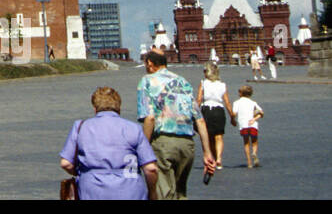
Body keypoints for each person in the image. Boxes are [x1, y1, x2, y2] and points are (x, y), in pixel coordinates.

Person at [136, 49, 217, 199]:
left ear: (149, 63)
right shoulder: (183, 82)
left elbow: (150, 118)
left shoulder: (147, 81)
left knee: (164, 193)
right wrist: (207, 153)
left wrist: (143, 149)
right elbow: (199, 119)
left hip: (163, 143)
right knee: (181, 193)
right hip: (187, 145)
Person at [59, 86, 158, 199]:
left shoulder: (80, 127)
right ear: (119, 109)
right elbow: (151, 168)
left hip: (92, 190)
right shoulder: (134, 128)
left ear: (95, 109)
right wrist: (152, 192)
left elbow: (65, 163)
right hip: (131, 190)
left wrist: (81, 173)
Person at [196, 62, 233, 176]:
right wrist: (232, 116)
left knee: (209, 136)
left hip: (206, 109)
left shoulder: (203, 83)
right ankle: (219, 159)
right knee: (219, 136)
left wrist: (195, 113)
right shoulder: (222, 85)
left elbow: (198, 99)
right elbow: (227, 102)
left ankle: (211, 158)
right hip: (219, 110)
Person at [232, 84, 264, 169]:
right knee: (254, 142)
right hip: (252, 124)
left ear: (241, 93)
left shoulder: (237, 103)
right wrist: (255, 118)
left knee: (246, 143)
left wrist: (233, 119)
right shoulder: (253, 103)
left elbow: (234, 113)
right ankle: (254, 152)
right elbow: (261, 113)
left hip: (243, 125)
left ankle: (249, 162)